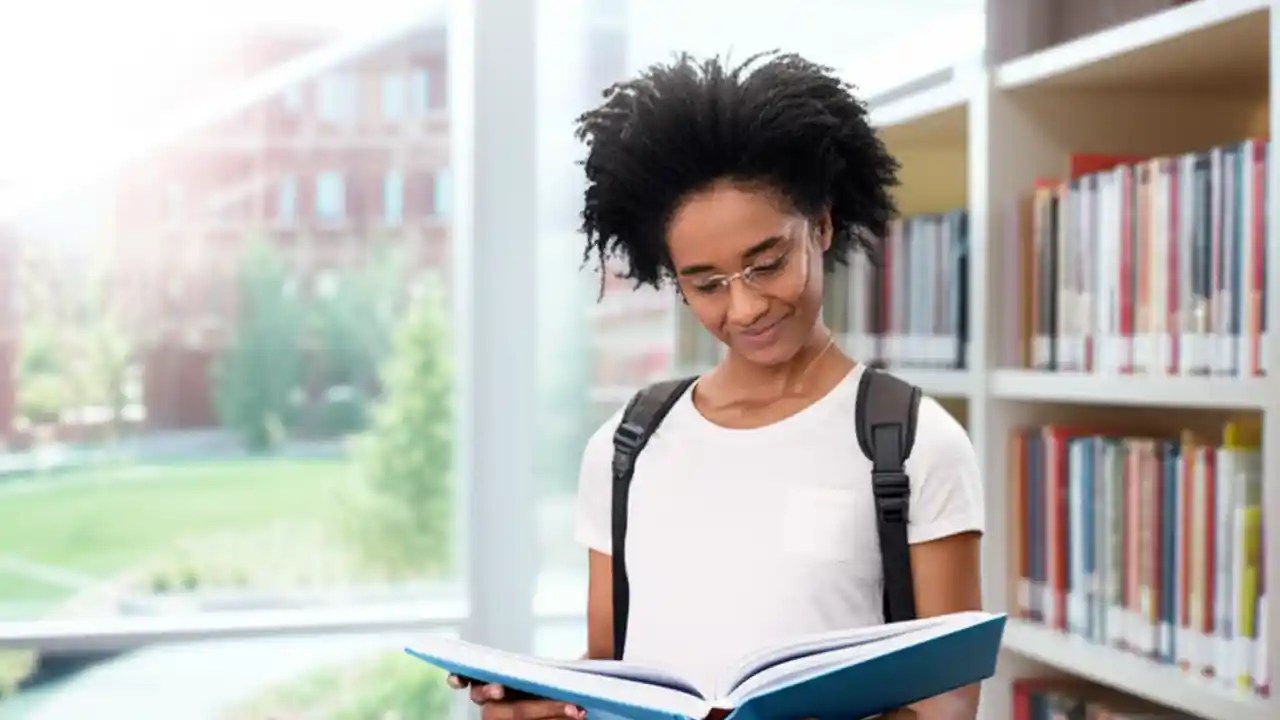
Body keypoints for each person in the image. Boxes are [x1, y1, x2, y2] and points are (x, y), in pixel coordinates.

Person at [448, 50, 985, 720]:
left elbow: (950, 703)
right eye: (706, 284)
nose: (745, 307)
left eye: (767, 263)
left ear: (819, 226)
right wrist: (546, 709)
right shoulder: (625, 448)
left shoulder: (912, 442)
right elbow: (613, 678)